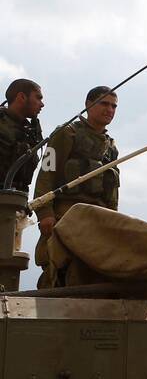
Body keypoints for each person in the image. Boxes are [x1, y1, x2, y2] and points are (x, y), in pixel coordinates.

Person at [33, 87, 119, 288]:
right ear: (88, 105)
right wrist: (45, 212)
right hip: (67, 214)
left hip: (99, 216)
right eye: (104, 104)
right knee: (60, 267)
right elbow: (47, 174)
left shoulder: (111, 147)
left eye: (114, 106)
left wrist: (114, 221)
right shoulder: (66, 134)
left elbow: (113, 190)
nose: (110, 110)